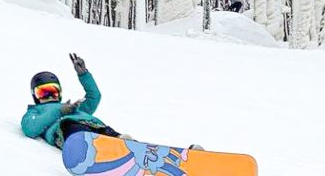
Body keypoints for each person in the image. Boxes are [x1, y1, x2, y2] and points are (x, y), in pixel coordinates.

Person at [21, 55, 203, 151]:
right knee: (70, 124)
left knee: (105, 130)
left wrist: (83, 74)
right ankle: (94, 147)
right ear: (35, 96)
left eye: (52, 90)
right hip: (69, 132)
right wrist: (61, 111)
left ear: (59, 92)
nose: (49, 95)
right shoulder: (34, 113)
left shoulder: (76, 109)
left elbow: (94, 96)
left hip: (95, 128)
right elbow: (31, 129)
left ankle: (132, 148)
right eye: (43, 92)